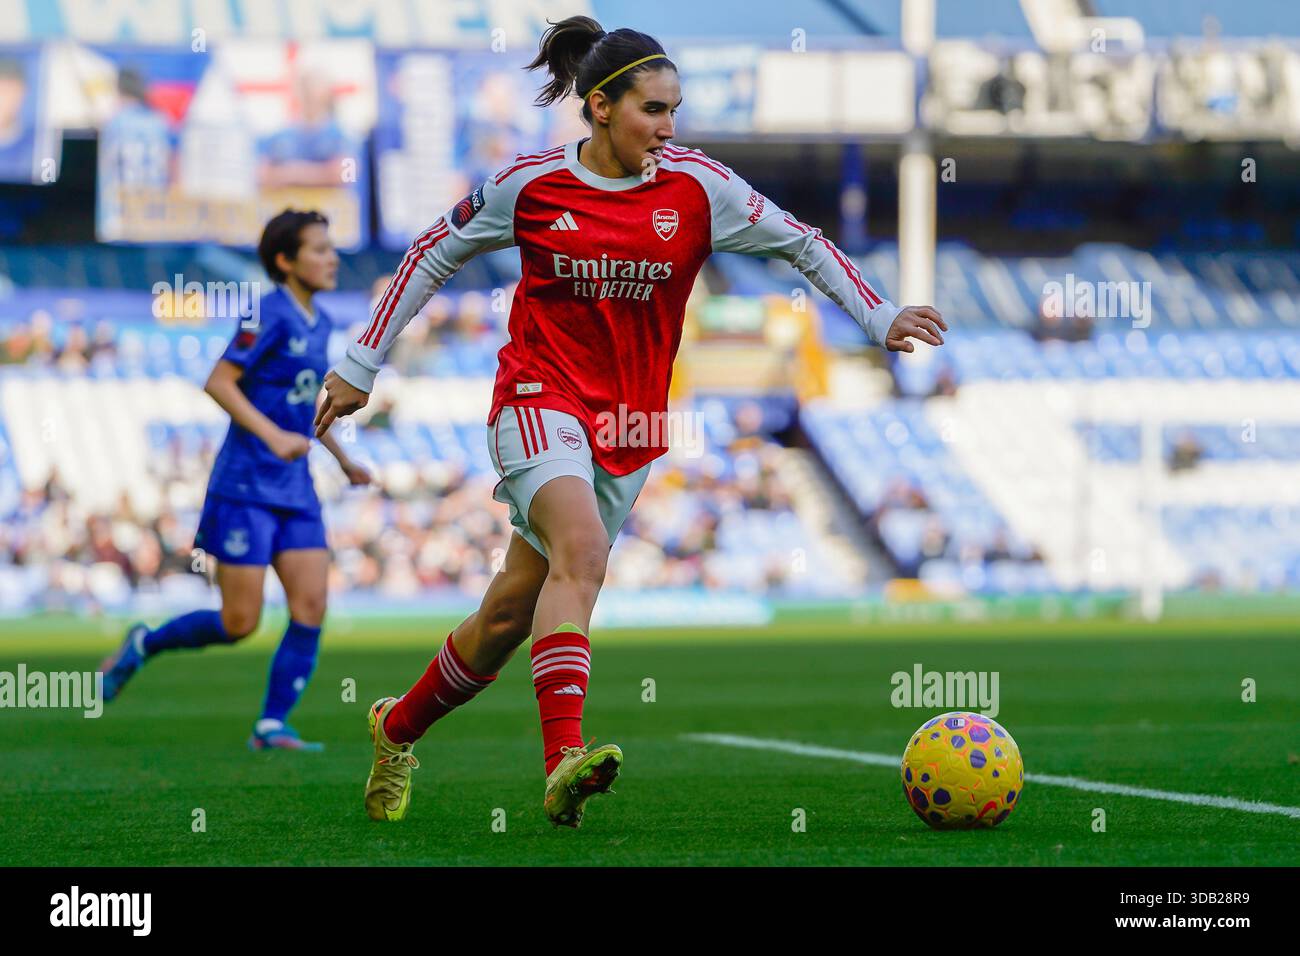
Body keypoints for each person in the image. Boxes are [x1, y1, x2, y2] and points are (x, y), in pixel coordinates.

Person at [314, 15, 948, 827]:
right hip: (538, 397)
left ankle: (397, 728)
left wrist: (880, 314)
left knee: (509, 614)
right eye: (653, 109)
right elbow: (431, 250)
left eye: (674, 109)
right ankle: (561, 762)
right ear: (601, 107)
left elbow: (803, 242)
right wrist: (361, 363)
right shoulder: (531, 186)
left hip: (630, 426)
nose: (668, 127)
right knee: (582, 551)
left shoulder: (699, 187)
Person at [99, 209, 372, 750]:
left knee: (311, 606)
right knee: (239, 622)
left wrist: (341, 457)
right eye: (319, 249)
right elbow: (219, 382)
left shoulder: (320, 321)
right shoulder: (266, 312)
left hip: (295, 488)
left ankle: (271, 725)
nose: (332, 258)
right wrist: (272, 437)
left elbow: (301, 402)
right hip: (245, 486)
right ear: (285, 260)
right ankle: (146, 642)